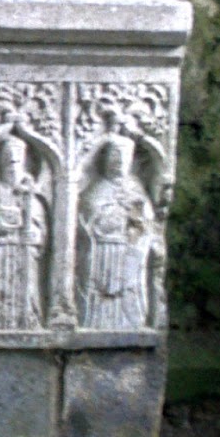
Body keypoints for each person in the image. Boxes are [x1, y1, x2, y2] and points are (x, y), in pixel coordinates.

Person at [0, 136, 48, 329]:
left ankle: (27, 320)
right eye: (8, 158)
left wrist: (36, 236)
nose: (13, 163)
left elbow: (40, 222)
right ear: (0, 161)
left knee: (25, 290)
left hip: (23, 252)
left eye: (17, 159)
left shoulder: (30, 193)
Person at [77, 135, 153, 329]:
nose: (118, 162)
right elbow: (87, 214)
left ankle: (129, 324)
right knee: (99, 289)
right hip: (102, 250)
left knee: (127, 289)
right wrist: (109, 211)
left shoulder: (135, 189)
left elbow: (146, 220)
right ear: (105, 160)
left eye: (124, 157)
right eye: (114, 156)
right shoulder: (96, 189)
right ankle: (94, 324)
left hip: (126, 250)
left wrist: (134, 213)